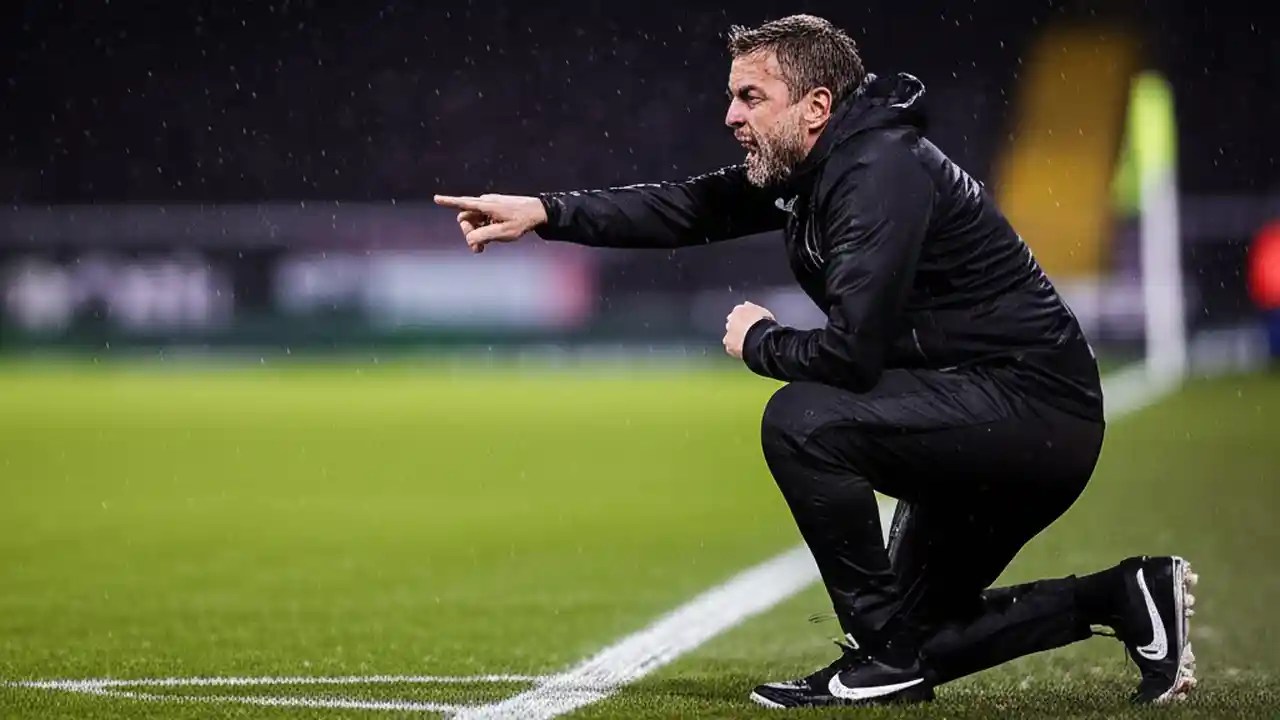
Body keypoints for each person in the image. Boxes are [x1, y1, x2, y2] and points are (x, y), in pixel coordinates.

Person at [434, 13, 1197, 708]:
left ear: (816, 107)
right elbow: (687, 208)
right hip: (988, 409)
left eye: (750, 97)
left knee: (802, 420)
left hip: (1029, 415)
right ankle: (1121, 597)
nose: (730, 115)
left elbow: (852, 354)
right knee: (913, 631)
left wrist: (761, 341)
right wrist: (543, 213)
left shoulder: (876, 172)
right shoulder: (820, 167)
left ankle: (884, 660)